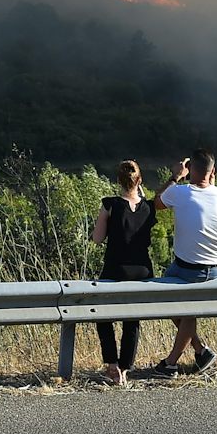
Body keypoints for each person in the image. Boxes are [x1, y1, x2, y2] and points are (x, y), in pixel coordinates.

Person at [148, 150, 217, 379]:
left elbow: (156, 203)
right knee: (172, 300)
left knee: (183, 308)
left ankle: (171, 364)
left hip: (191, 268)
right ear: (213, 172)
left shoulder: (181, 192)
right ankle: (200, 351)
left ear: (190, 170)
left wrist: (175, 176)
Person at [91, 160, 155, 385]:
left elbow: (97, 239)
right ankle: (125, 369)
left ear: (118, 180)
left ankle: (112, 364)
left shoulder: (110, 205)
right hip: (143, 272)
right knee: (132, 321)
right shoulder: (149, 207)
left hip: (115, 269)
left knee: (101, 315)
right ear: (139, 181)